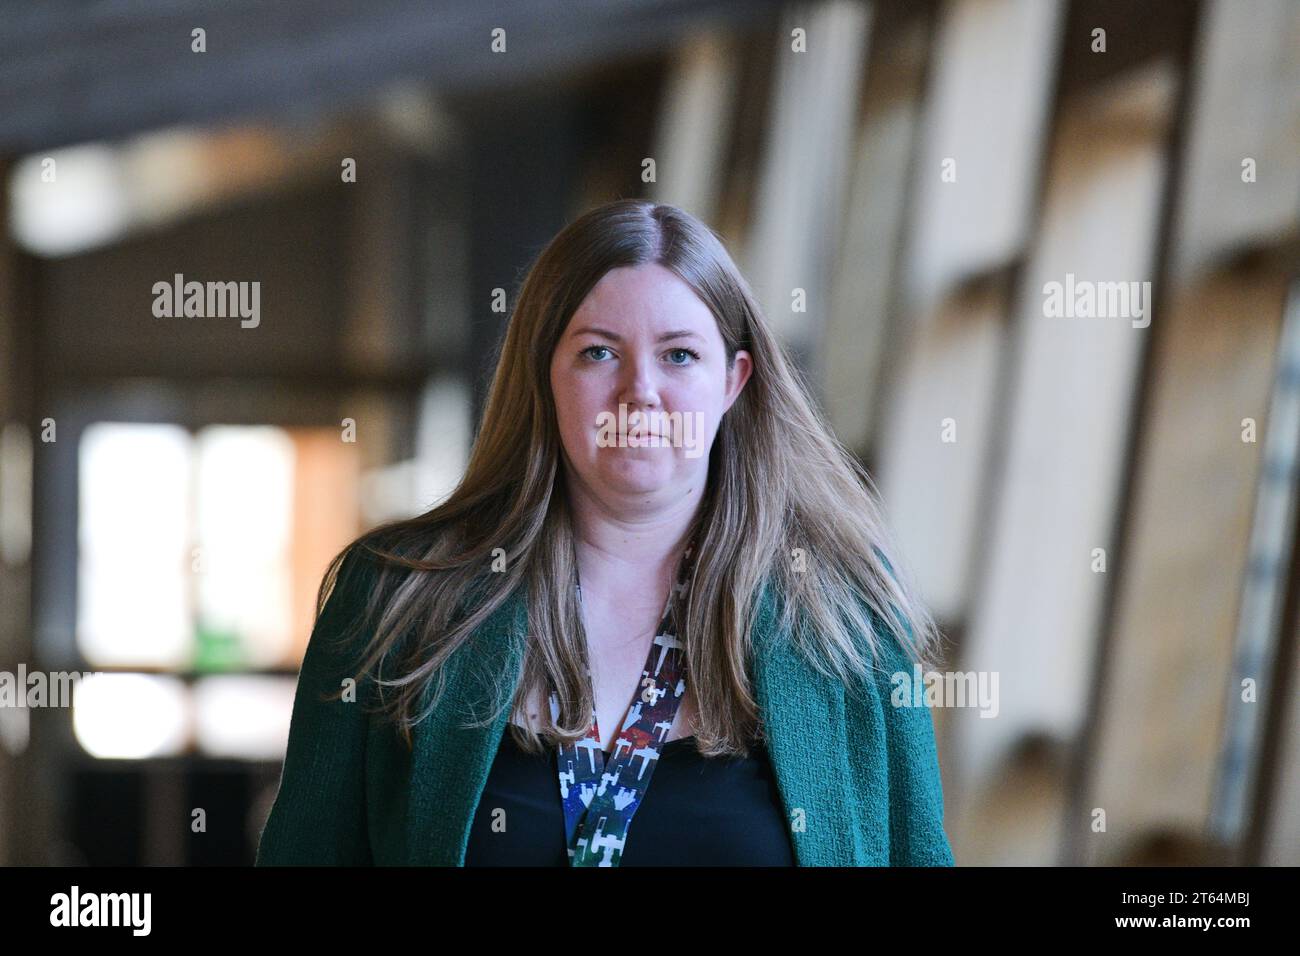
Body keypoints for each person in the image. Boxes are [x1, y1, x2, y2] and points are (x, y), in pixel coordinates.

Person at [255, 199, 955, 867]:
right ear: (543, 374)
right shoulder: (396, 603)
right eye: (598, 353)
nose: (639, 390)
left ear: (733, 382)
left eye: (679, 355)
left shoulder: (842, 620)